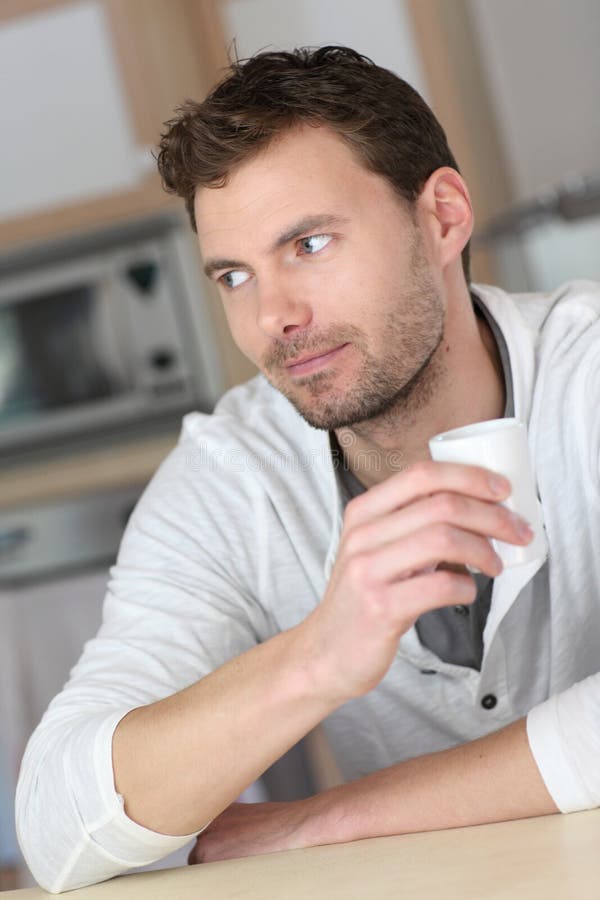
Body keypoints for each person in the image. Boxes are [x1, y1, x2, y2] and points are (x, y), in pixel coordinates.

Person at [16, 46, 600, 893]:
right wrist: (315, 658)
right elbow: (56, 829)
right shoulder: (229, 479)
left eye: (311, 243)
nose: (273, 318)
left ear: (441, 217)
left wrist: (325, 820)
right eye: (235, 275)